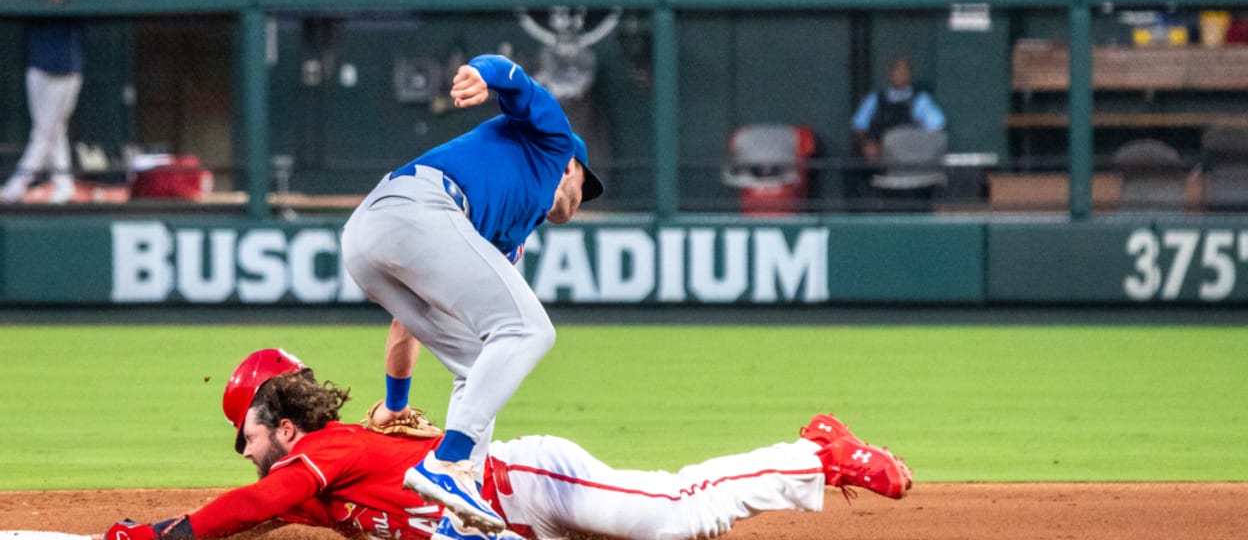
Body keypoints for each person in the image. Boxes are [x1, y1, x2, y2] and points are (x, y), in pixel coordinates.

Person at [101, 348, 913, 540]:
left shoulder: (328, 450)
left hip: (526, 484)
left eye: (242, 432)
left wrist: (160, 535)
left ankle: (816, 452)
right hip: (511, 524)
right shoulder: (313, 477)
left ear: (281, 423)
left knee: (671, 512)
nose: (239, 449)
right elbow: (255, 516)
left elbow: (259, 499)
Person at [338, 54, 604, 533]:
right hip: (415, 207)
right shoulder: (553, 141)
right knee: (530, 330)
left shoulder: (509, 232)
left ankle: (456, 525)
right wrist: (482, 73)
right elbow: (515, 80)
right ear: (571, 167)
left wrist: (395, 405)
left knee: (478, 362)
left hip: (367, 241)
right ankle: (447, 461)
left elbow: (407, 324)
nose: (584, 198)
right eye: (587, 184)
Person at [0, 0, 112, 205]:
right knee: (52, 131)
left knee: (43, 132)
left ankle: (18, 183)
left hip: (67, 72)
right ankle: (63, 185)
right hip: (38, 69)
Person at [850, 56, 946, 164]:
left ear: (910, 74)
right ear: (890, 73)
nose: (900, 74)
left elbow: (937, 126)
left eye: (904, 70)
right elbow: (859, 126)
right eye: (897, 69)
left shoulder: (920, 100)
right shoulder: (875, 99)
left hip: (909, 159)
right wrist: (867, 145)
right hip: (878, 159)